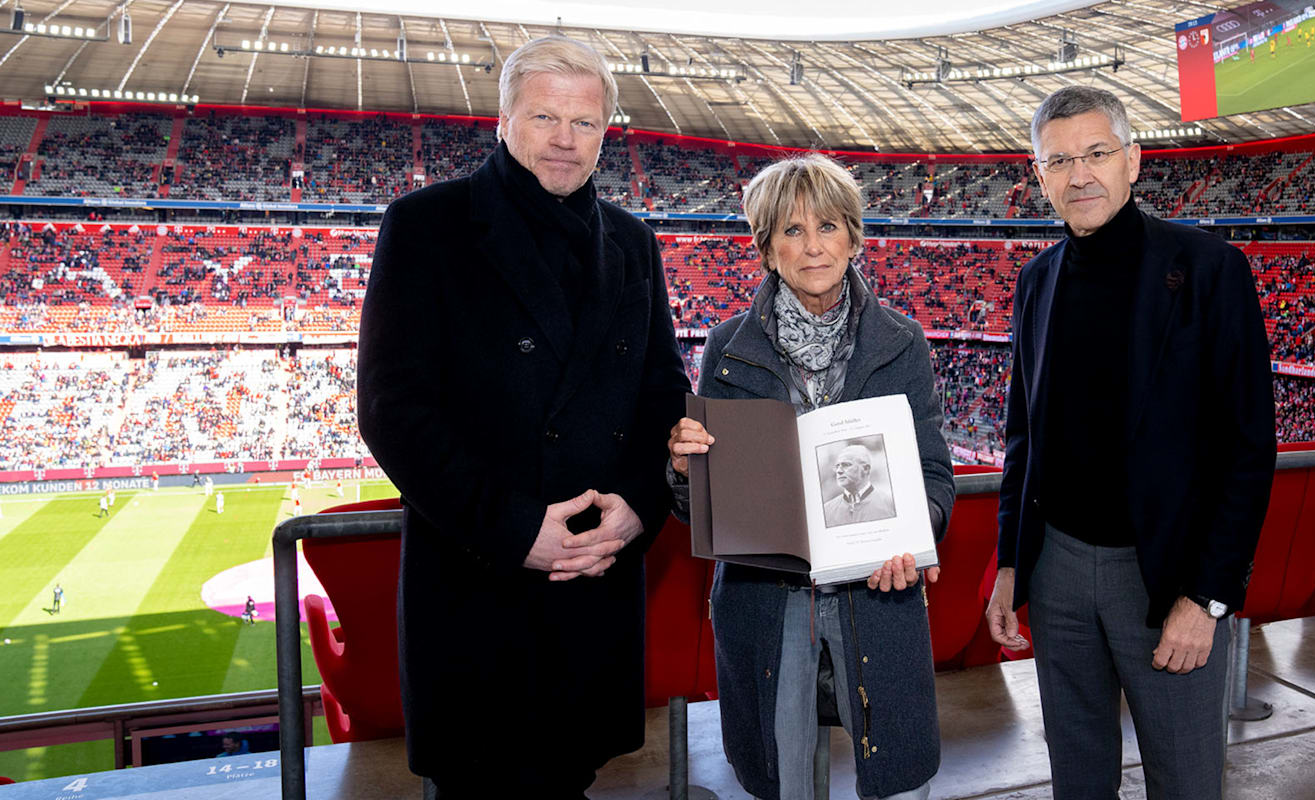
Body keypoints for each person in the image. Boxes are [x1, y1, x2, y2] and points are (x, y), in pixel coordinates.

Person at [357, 35, 690, 799]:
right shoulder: (426, 225)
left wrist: (638, 510)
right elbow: (391, 408)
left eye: (586, 123)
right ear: (503, 118)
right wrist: (516, 530)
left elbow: (662, 395)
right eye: (545, 117)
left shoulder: (635, 243)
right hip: (478, 596)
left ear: (608, 130)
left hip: (595, 587)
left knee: (572, 779)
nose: (566, 141)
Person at [984, 86, 1276, 800]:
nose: (1079, 174)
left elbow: (1249, 447)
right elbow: (1024, 438)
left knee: (1184, 779)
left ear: (1133, 161)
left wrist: (1206, 598)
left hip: (1164, 578)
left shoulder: (1209, 270)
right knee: (1077, 778)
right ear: (1040, 175)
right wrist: (1011, 563)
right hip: (1056, 569)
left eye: (1096, 153)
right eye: (1059, 160)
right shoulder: (1035, 282)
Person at [667, 153, 955, 800]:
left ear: (854, 236)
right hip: (768, 599)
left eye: (826, 226)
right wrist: (685, 469)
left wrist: (915, 532)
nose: (812, 246)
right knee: (778, 780)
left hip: (878, 593)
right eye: (790, 231)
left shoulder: (902, 343)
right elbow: (702, 505)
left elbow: (934, 472)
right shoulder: (727, 346)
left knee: (899, 780)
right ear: (767, 249)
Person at [821, 443, 896, 527]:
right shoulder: (827, 510)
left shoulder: (890, 504)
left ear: (866, 469)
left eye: (846, 465)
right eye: (837, 466)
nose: (839, 471)